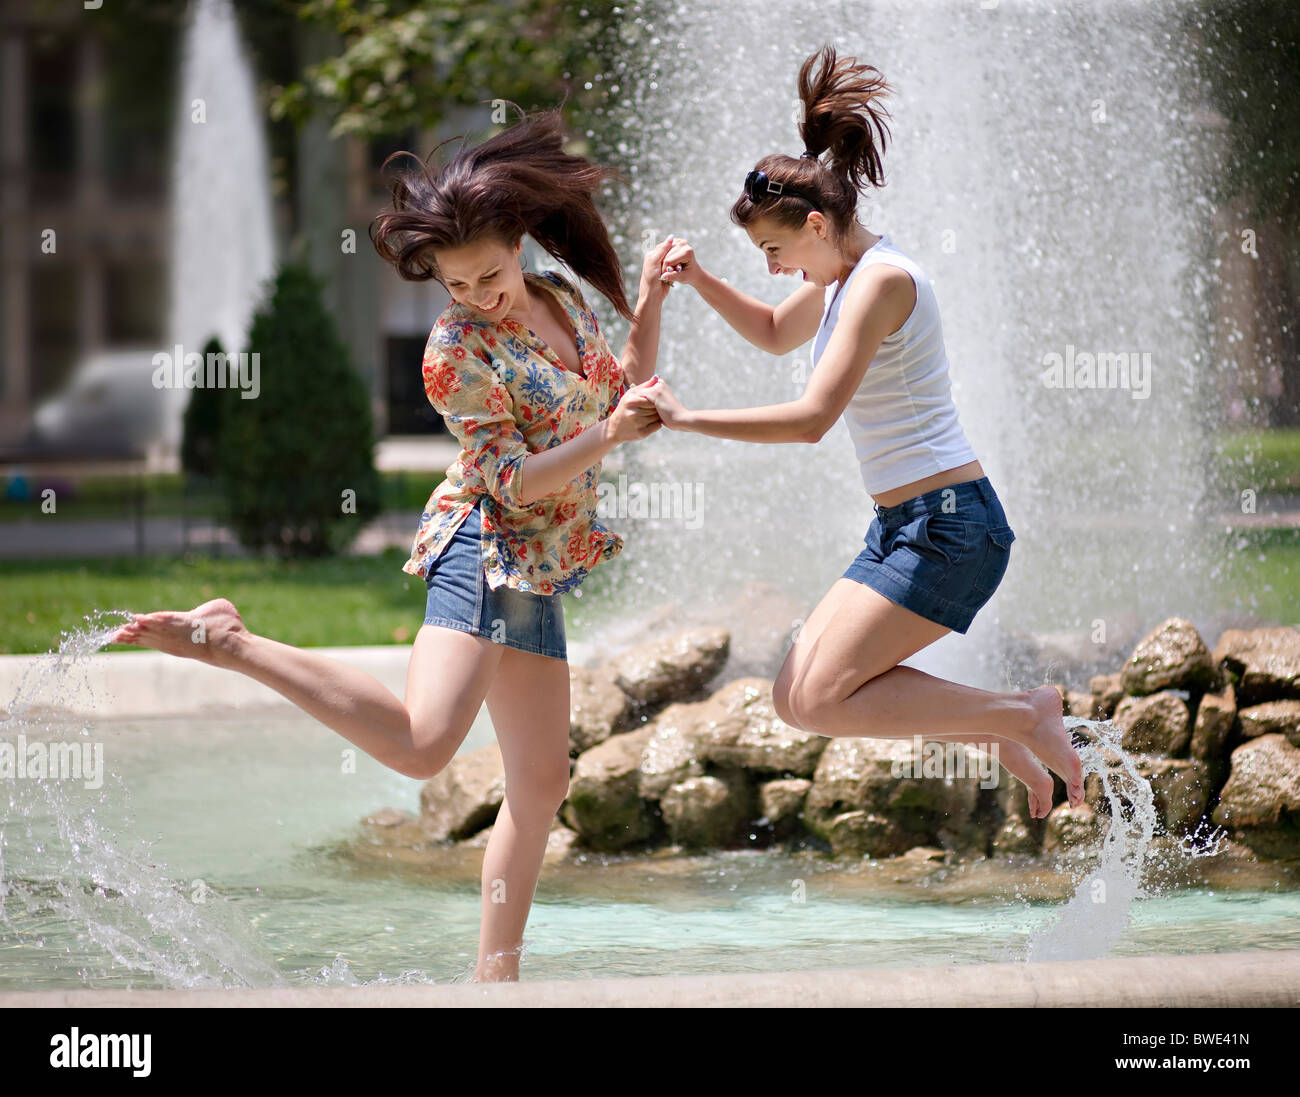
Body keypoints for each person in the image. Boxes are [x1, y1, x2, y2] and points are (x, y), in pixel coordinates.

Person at [111, 109, 675, 983]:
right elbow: (513, 480)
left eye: (489, 274)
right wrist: (613, 439)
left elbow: (620, 383)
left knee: (538, 789)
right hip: (484, 544)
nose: (479, 295)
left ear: (518, 239)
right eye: (456, 284)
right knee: (422, 745)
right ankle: (233, 639)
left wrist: (652, 296)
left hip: (541, 567)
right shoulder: (454, 354)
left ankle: (497, 985)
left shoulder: (560, 298)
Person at [647, 45, 1084, 817]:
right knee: (793, 697)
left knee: (820, 695)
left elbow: (813, 419)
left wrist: (686, 419)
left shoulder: (882, 282)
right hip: (901, 527)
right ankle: (1005, 728)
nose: (776, 269)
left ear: (817, 224)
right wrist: (702, 281)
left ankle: (1023, 714)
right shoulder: (842, 278)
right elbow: (778, 332)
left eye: (776, 251)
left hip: (952, 528)